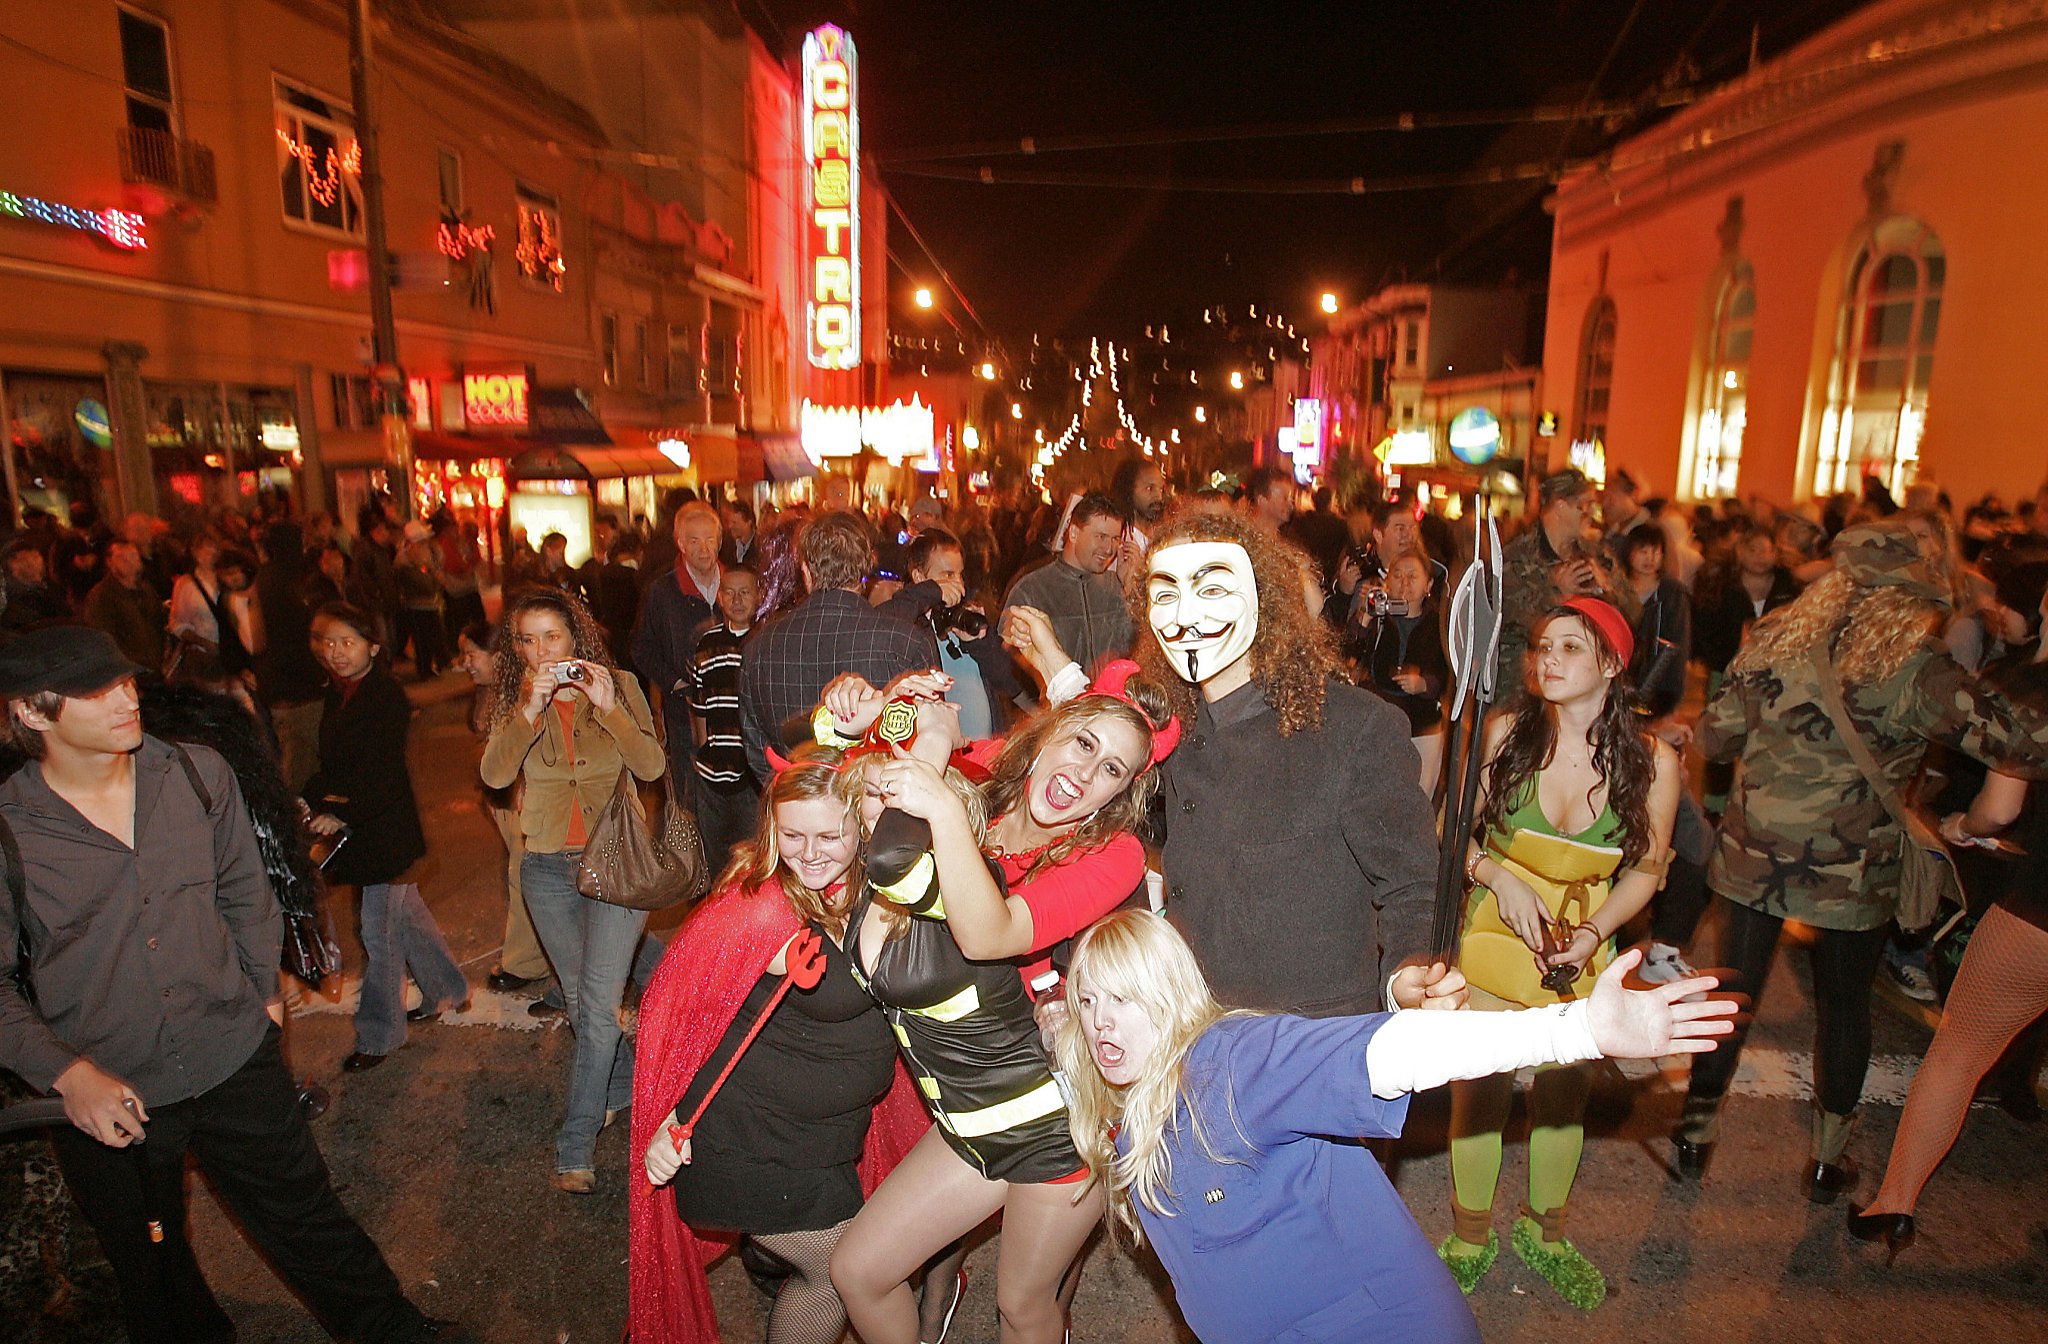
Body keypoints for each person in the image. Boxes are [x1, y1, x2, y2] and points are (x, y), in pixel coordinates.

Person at [0, 625, 469, 1344]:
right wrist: (66, 1075)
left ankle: (392, 1329)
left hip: (230, 1049)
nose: (128, 697)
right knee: (151, 1260)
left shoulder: (195, 771)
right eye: (97, 691)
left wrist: (264, 992)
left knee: (305, 1213)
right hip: (107, 1081)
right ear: (34, 712)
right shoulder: (11, 829)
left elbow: (243, 891)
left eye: (125, 679)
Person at [1054, 911, 1734, 1344]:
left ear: (1169, 996)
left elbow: (1393, 1054)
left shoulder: (1234, 1065)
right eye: (1089, 1001)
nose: (1102, 1020)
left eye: (1124, 998)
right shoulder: (1127, 1091)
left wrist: (1580, 1028)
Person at [1676, 522, 2048, 1198]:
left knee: (1732, 991)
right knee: (1845, 1009)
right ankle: (1828, 1160)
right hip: (1854, 870)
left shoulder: (1777, 639)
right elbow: (2022, 742)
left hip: (1754, 855)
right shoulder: (1918, 666)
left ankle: (1695, 1135)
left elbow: (1716, 739)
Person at [823, 667, 1172, 1344]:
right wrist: (864, 718)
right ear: (1047, 732)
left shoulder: (1112, 856)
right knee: (860, 1271)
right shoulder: (979, 775)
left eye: (1111, 770)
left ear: (1120, 794)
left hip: (1061, 1115)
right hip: (973, 1104)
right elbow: (826, 783)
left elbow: (990, 934)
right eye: (1081, 743)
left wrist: (942, 800)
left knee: (1022, 1305)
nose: (1084, 773)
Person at [1047, 508, 1451, 1016]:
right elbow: (1111, 844)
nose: (1186, 615)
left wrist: (1406, 974)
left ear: (1264, 599)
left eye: (1212, 590)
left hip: (1311, 1048)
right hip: (1189, 1034)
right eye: (1166, 594)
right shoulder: (1166, 730)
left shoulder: (1354, 727)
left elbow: (1413, 881)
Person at [629, 754, 936, 1344]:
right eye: (792, 835)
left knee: (836, 1274)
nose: (810, 852)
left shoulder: (874, 891)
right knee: (846, 1269)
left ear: (862, 827)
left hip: (822, 1142)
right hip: (749, 1142)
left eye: (829, 834)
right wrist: (676, 1117)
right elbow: (702, 1021)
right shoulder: (763, 908)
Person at [1443, 598, 1680, 1306]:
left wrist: (1593, 932)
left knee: (1562, 1096)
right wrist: (1498, 876)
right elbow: (1455, 836)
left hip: (1578, 945)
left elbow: (1646, 868)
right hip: (1493, 933)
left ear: (1611, 665)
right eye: (1544, 646)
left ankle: (1544, 1235)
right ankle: (1467, 1235)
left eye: (1571, 648)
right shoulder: (1506, 734)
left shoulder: (1653, 761)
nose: (1549, 659)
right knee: (1478, 1087)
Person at [480, 588, 665, 1192]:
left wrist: (609, 707)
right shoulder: (516, 697)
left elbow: (652, 766)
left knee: (597, 996)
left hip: (615, 863)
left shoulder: (617, 685)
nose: (541, 652)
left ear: (575, 638)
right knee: (587, 1004)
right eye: (527, 641)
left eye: (552, 638)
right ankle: (623, 1083)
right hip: (546, 867)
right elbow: (495, 775)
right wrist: (528, 712)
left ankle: (576, 1142)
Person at [302, 603, 468, 1071]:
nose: (337, 652)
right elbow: (331, 763)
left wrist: (342, 812)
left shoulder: (383, 696)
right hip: (364, 833)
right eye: (329, 643)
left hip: (384, 833)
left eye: (348, 643)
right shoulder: (340, 692)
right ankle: (447, 989)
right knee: (406, 919)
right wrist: (310, 798)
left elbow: (382, 773)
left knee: (380, 935)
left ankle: (380, 1035)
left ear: (374, 647)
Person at [738, 511, 936, 783]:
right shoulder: (906, 642)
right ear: (867, 571)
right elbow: (931, 742)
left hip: (797, 807)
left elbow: (759, 755)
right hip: (876, 808)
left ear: (806, 572)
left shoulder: (758, 646)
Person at [456, 620, 549, 996]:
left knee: (523, 876)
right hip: (503, 801)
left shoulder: (522, 692)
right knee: (520, 875)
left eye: (471, 654)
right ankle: (531, 958)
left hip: (522, 800)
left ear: (498, 656)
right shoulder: (489, 691)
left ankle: (526, 962)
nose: (465, 663)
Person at [1497, 469, 1639, 694]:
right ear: (1561, 506)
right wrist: (1556, 593)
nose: (1592, 513)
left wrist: (1605, 589)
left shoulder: (1596, 555)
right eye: (1584, 505)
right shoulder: (1516, 558)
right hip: (1524, 688)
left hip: (1583, 688)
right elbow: (1504, 620)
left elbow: (1633, 611)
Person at [634, 501, 727, 792]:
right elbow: (641, 646)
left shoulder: (737, 586)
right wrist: (673, 682)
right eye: (694, 540)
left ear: (720, 542)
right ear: (681, 544)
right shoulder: (663, 591)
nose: (703, 548)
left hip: (731, 709)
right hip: (685, 713)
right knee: (692, 792)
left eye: (710, 540)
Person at [1000, 493, 1132, 679]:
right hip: (1056, 705)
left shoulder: (1117, 586)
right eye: (1101, 537)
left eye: (1115, 539)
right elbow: (1009, 662)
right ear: (1074, 533)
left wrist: (1132, 587)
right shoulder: (1031, 588)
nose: (1109, 548)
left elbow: (1139, 645)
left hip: (1107, 705)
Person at [1352, 552, 1449, 797]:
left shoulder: (1439, 623)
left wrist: (1425, 684)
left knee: (1417, 796)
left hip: (1422, 725)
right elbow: (1348, 654)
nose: (1404, 582)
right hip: (1379, 719)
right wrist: (1363, 618)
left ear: (1428, 585)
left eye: (1412, 576)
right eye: (1397, 575)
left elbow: (1450, 672)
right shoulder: (1378, 616)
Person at [690, 564, 764, 869]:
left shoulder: (764, 641)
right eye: (729, 592)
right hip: (711, 769)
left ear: (758, 597)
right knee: (714, 860)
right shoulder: (707, 645)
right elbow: (697, 701)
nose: (736, 600)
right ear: (719, 598)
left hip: (750, 773)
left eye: (744, 592)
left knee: (748, 858)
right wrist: (703, 744)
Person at [252, 521, 328, 793]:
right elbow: (290, 632)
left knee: (301, 755)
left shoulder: (271, 577)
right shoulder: (281, 580)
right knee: (299, 758)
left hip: (286, 680)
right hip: (294, 683)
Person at [169, 534, 254, 679]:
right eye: (205, 550)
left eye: (213, 548)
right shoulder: (186, 585)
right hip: (207, 656)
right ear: (195, 553)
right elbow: (177, 624)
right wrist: (204, 643)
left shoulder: (228, 577)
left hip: (237, 652)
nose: (211, 554)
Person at [85, 538, 167, 672]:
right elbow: (104, 640)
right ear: (110, 562)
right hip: (128, 673)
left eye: (133, 556)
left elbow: (159, 624)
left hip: (155, 668)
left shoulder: (146, 590)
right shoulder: (101, 597)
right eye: (122, 558)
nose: (129, 562)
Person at [0, 537, 70, 633]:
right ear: (12, 566)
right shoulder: (16, 606)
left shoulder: (54, 591)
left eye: (36, 556)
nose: (35, 560)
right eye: (25, 560)